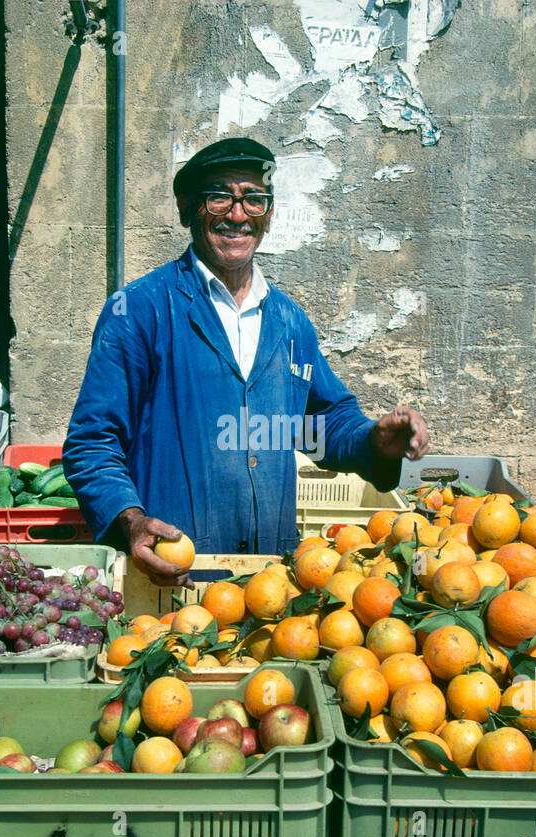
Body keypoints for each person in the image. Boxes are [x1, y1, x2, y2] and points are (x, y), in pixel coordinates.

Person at [62, 136, 429, 586]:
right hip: (171, 577)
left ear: (269, 216)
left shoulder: (290, 322)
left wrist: (373, 441)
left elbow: (319, 426)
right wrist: (130, 519)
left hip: (267, 583)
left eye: (253, 200)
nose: (237, 215)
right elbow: (93, 442)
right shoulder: (140, 310)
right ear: (187, 209)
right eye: (219, 197)